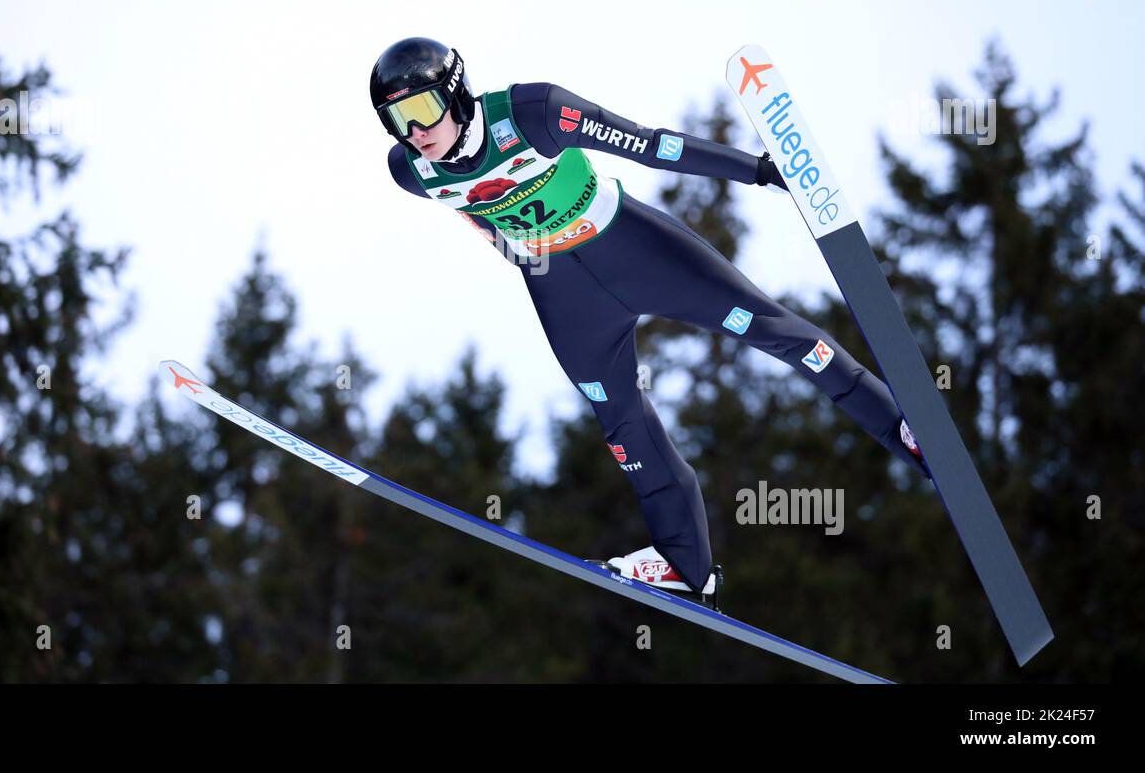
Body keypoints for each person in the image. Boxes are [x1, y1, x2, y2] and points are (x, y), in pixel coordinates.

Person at [371, 37, 927, 601]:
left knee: (771, 330)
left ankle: (903, 428)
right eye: (397, 120)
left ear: (456, 92)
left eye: (421, 110)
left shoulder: (532, 113)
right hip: (565, 296)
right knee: (622, 425)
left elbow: (653, 147)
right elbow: (476, 212)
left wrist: (761, 171)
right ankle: (686, 565)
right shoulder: (411, 171)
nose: (415, 133)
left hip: (638, 252)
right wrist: (515, 250)